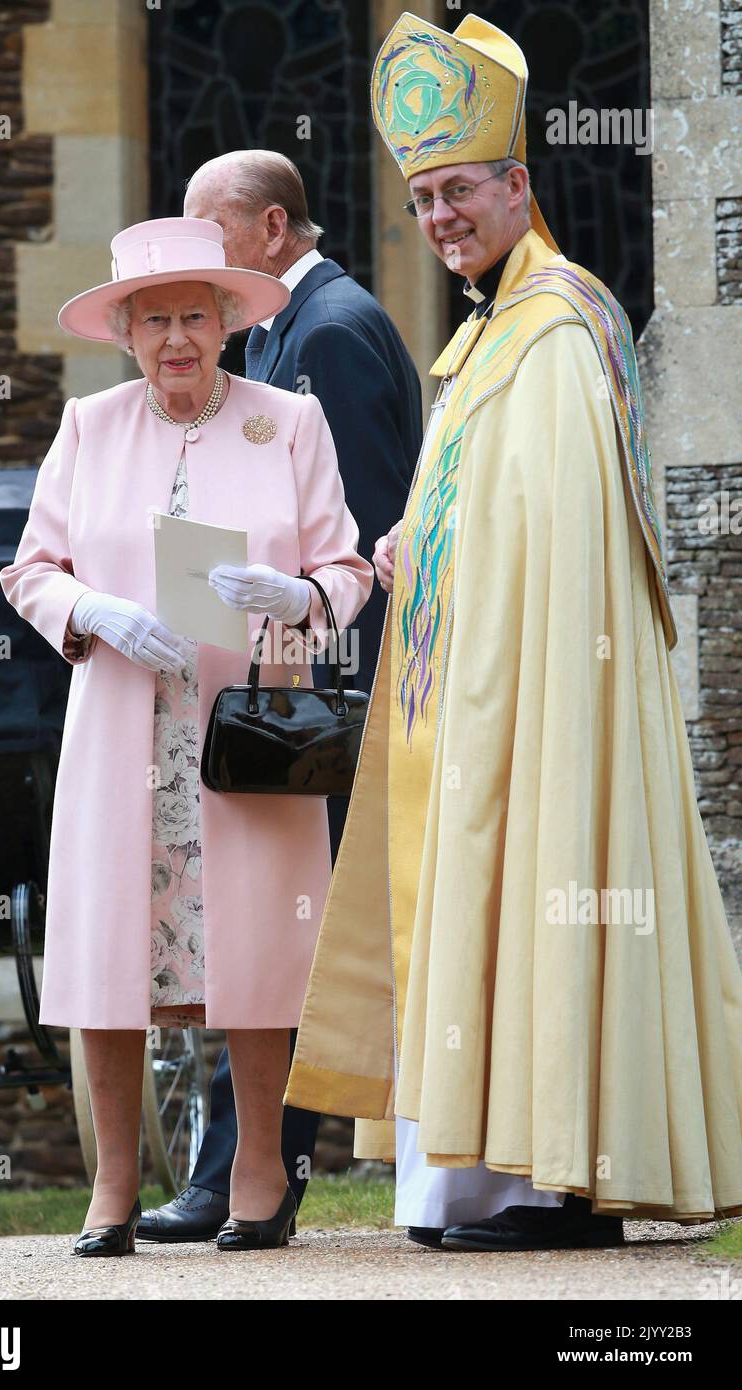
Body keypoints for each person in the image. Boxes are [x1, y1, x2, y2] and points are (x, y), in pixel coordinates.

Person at [284, 12, 742, 1251]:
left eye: (459, 191)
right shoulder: (484, 332)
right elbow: (474, 508)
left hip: (539, 688)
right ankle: (476, 1179)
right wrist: (405, 545)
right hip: (470, 684)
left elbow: (568, 537)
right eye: (422, 196)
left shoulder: (558, 324)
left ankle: (552, 1176)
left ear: (519, 184)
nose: (438, 217)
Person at [0, 216, 372, 1254]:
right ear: (125, 331)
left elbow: (349, 571)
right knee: (110, 958)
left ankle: (260, 1173)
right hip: (124, 726)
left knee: (257, 955)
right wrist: (92, 612)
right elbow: (30, 569)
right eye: (153, 318)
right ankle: (112, 1187)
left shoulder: (288, 422)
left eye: (193, 315)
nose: (175, 336)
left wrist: (292, 590)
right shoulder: (89, 425)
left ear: (225, 322)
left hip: (245, 729)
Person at [137, 151, 423, 1243]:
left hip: (321, 701)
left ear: (268, 228)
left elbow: (363, 537)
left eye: (210, 238)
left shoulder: (332, 333)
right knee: (276, 938)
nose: (199, 269)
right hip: (281, 686)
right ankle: (250, 1174)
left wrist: (305, 676)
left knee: (286, 939)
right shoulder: (287, 333)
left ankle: (245, 1178)